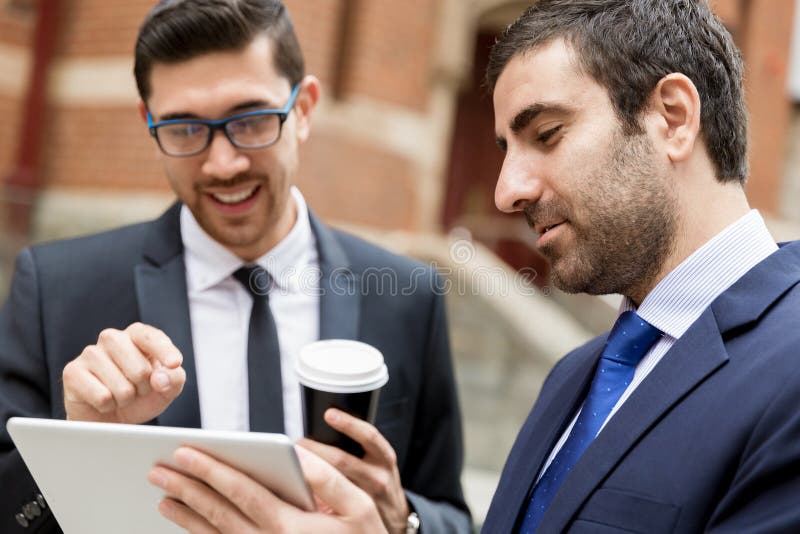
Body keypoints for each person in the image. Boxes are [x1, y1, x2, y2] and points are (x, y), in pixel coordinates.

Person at [146, 0, 800, 532]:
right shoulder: (577, 376)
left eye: (546, 135)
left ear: (673, 117)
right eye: (504, 148)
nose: (506, 191)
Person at [0, 1, 470, 532]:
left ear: (305, 109)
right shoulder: (55, 288)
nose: (223, 164)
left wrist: (402, 521)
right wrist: (76, 443)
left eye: (250, 122)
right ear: (147, 122)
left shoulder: (408, 295)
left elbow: (450, 513)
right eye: (182, 128)